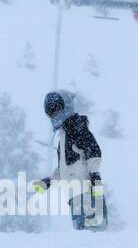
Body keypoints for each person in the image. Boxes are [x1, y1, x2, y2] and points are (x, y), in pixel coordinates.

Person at [31, 91, 105, 231]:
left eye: (57, 110)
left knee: (93, 237)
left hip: (87, 194)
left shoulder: (78, 128)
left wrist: (95, 175)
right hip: (74, 198)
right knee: (82, 239)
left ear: (67, 107)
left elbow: (93, 151)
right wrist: (50, 181)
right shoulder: (64, 137)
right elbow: (65, 168)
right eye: (51, 113)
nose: (55, 115)